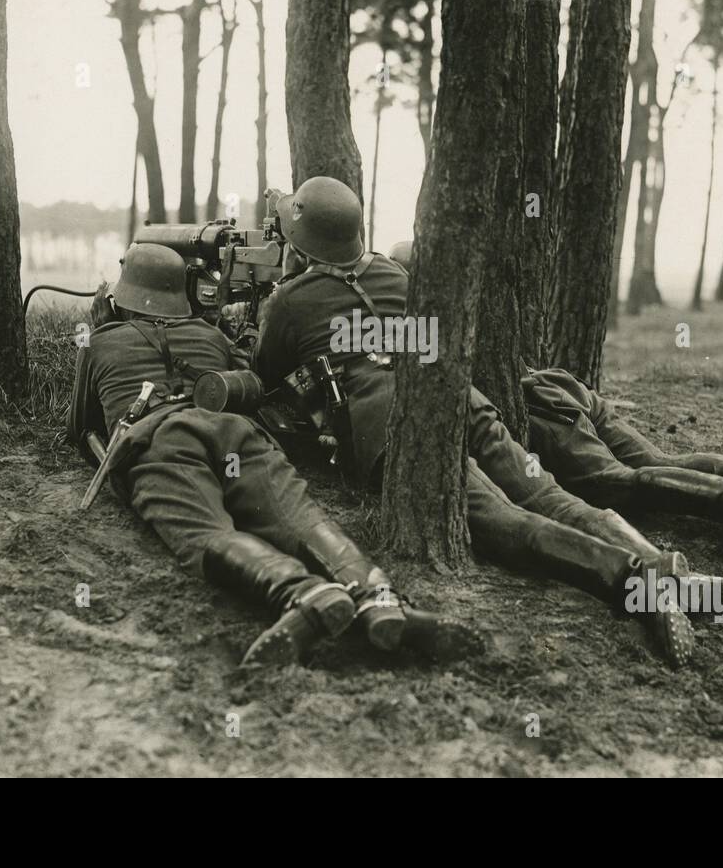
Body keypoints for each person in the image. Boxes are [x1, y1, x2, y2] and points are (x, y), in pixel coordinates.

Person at [254, 177, 723, 669]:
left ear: (301, 242)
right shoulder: (394, 273)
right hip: (461, 402)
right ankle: (667, 570)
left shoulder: (291, 301)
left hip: (397, 429)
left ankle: (639, 583)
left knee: (507, 524)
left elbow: (264, 375)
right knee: (550, 496)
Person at [68, 241, 481, 667]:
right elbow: (255, 381)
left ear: (125, 296)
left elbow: (79, 429)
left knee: (208, 533)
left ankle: (302, 593)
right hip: (233, 427)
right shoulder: (209, 335)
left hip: (160, 440)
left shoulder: (99, 343)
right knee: (300, 517)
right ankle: (378, 596)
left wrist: (101, 334)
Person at [387, 240, 723, 574]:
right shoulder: (469, 296)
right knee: (661, 459)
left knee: (619, 481)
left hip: (544, 411)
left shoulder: (430, 318)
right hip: (562, 388)